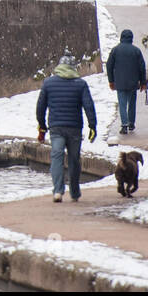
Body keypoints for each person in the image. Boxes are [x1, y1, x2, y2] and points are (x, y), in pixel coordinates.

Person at [36, 50, 97, 202]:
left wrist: (42, 127)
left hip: (56, 127)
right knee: (74, 159)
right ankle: (75, 192)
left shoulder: (48, 83)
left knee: (56, 157)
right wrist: (92, 126)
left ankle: (58, 191)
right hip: (74, 127)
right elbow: (89, 106)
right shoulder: (81, 84)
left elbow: (40, 107)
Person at [106, 29, 147, 134]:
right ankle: (131, 123)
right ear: (131, 38)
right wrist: (143, 82)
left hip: (119, 82)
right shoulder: (136, 51)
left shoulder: (115, 50)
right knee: (132, 103)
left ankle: (124, 125)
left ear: (121, 37)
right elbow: (142, 67)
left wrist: (111, 80)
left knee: (122, 104)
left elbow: (109, 65)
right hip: (133, 82)